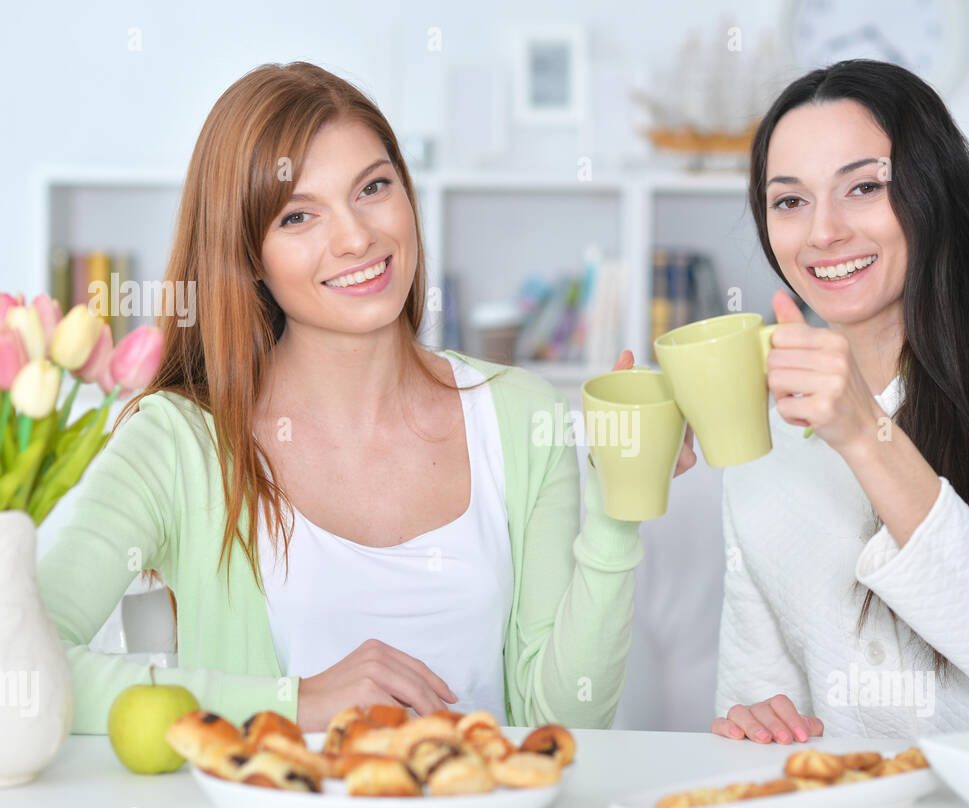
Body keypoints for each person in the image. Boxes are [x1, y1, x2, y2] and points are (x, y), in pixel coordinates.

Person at [38, 61, 694, 734]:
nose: (356, 237)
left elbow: (567, 718)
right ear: (246, 255)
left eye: (373, 187)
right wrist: (297, 702)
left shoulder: (521, 414)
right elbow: (28, 669)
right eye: (299, 216)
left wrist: (619, 506)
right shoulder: (177, 439)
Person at [711, 59, 969, 743]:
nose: (823, 232)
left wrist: (863, 431)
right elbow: (759, 698)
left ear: (933, 192)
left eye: (865, 187)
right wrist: (758, 721)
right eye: (790, 200)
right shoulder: (767, 424)